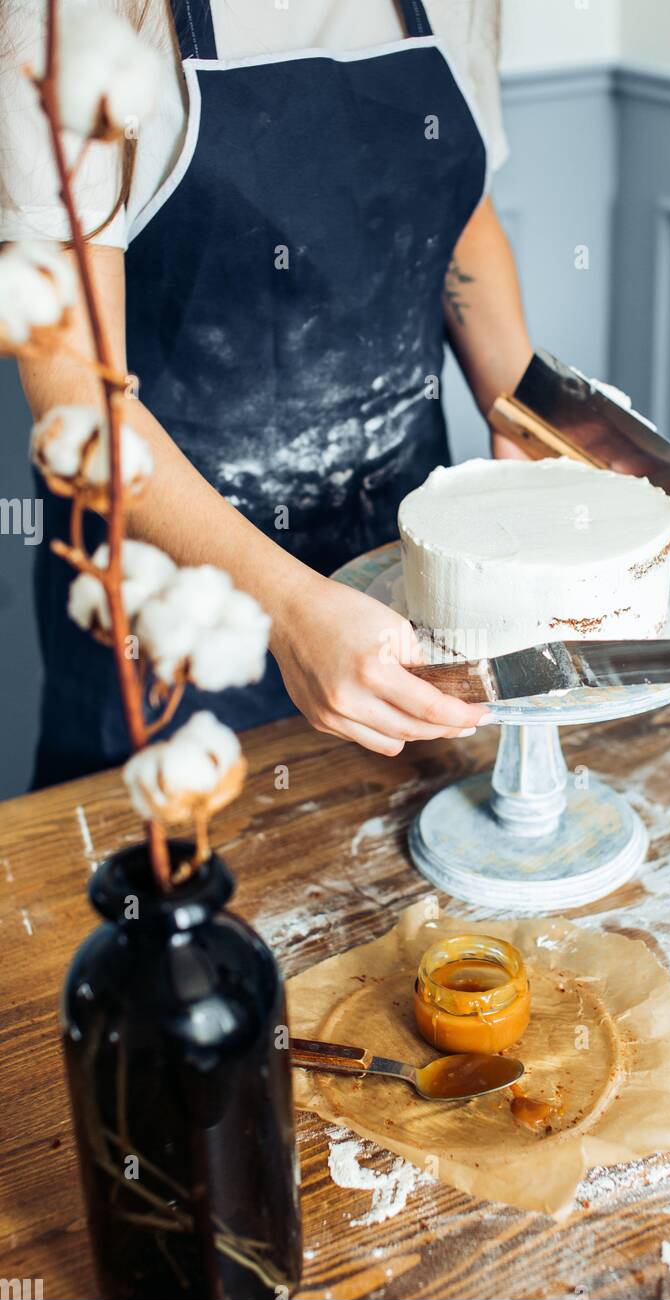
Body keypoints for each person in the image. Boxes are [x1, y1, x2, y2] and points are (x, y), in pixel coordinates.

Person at [2, 0, 535, 785]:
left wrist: (524, 408)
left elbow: (462, 210)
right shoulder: (74, 19)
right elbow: (78, 386)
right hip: (175, 618)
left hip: (408, 585)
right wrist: (291, 613)